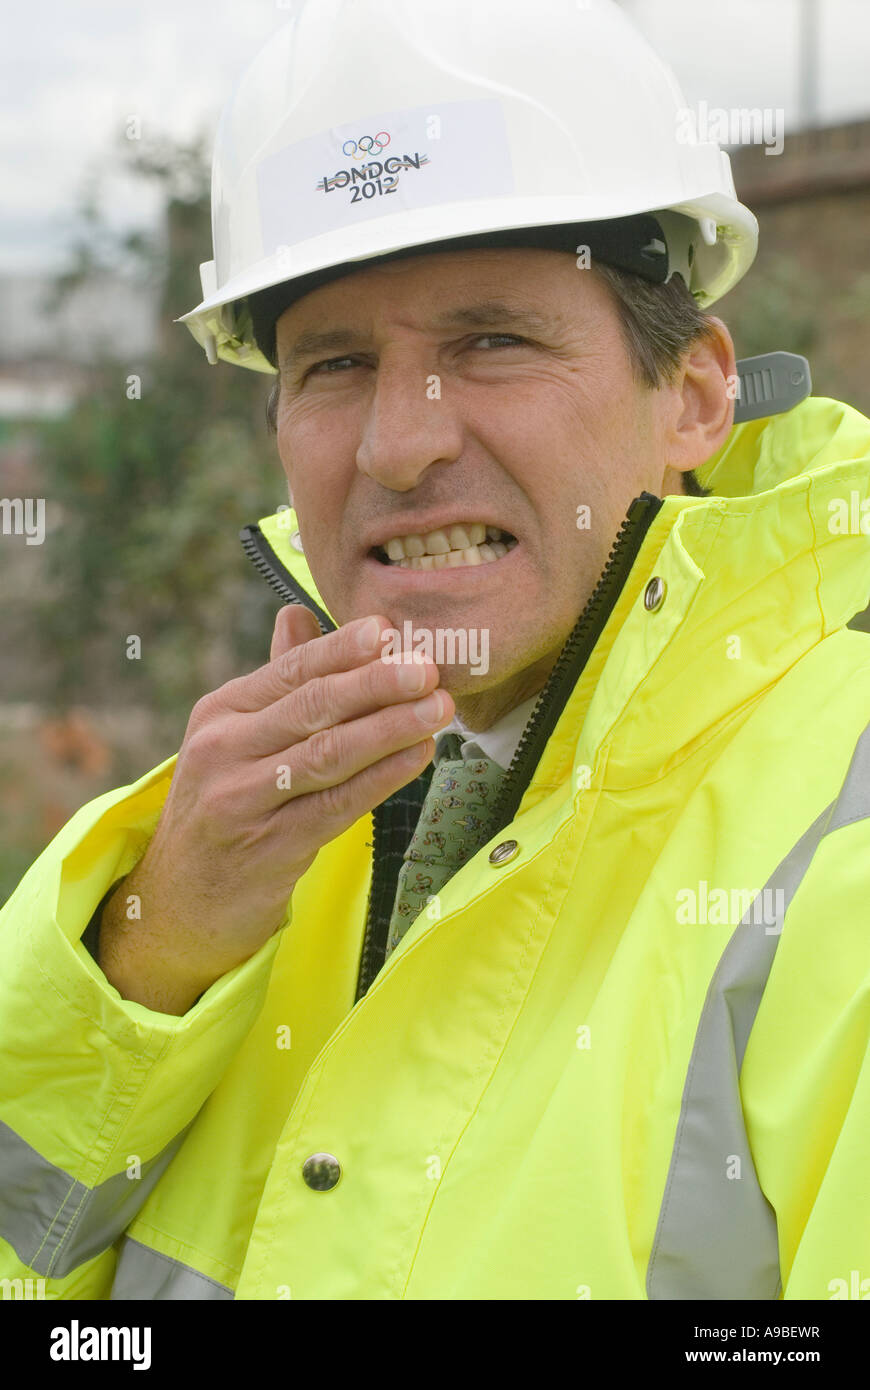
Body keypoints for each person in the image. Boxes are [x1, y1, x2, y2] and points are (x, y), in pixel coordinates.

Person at [2, 0, 869, 1302]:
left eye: (492, 342)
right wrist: (147, 960)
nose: (396, 446)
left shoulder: (836, 843)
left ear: (689, 395)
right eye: (335, 363)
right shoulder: (189, 860)